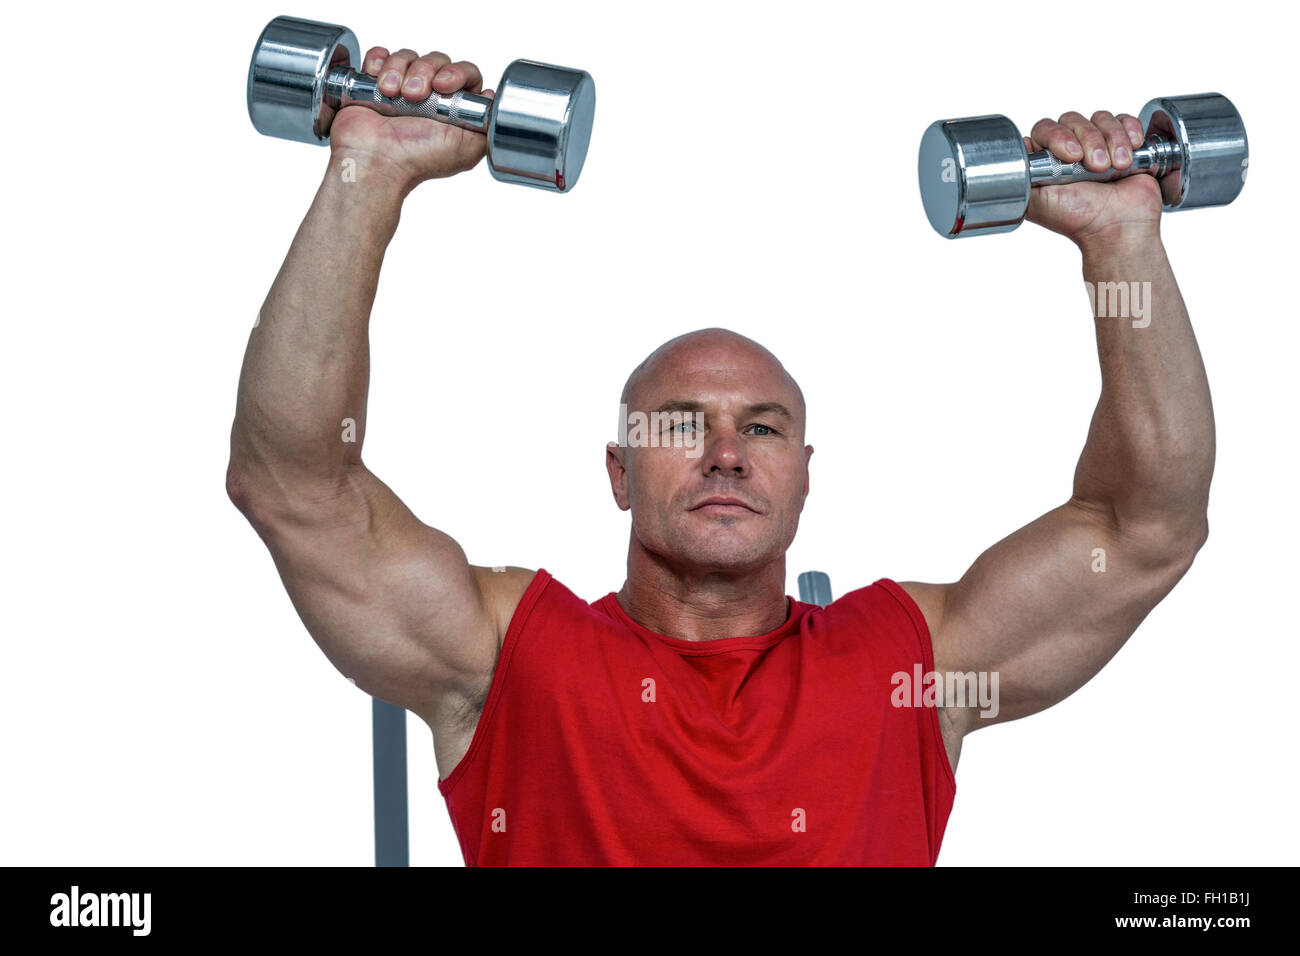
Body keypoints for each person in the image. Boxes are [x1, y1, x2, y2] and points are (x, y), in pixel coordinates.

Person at [226, 45, 1213, 865]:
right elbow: (294, 487)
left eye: (764, 426)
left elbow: (1146, 524)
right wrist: (367, 174)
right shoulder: (509, 660)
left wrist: (1122, 243)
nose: (727, 453)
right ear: (617, 470)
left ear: (804, 476)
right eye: (681, 423)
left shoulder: (904, 666)